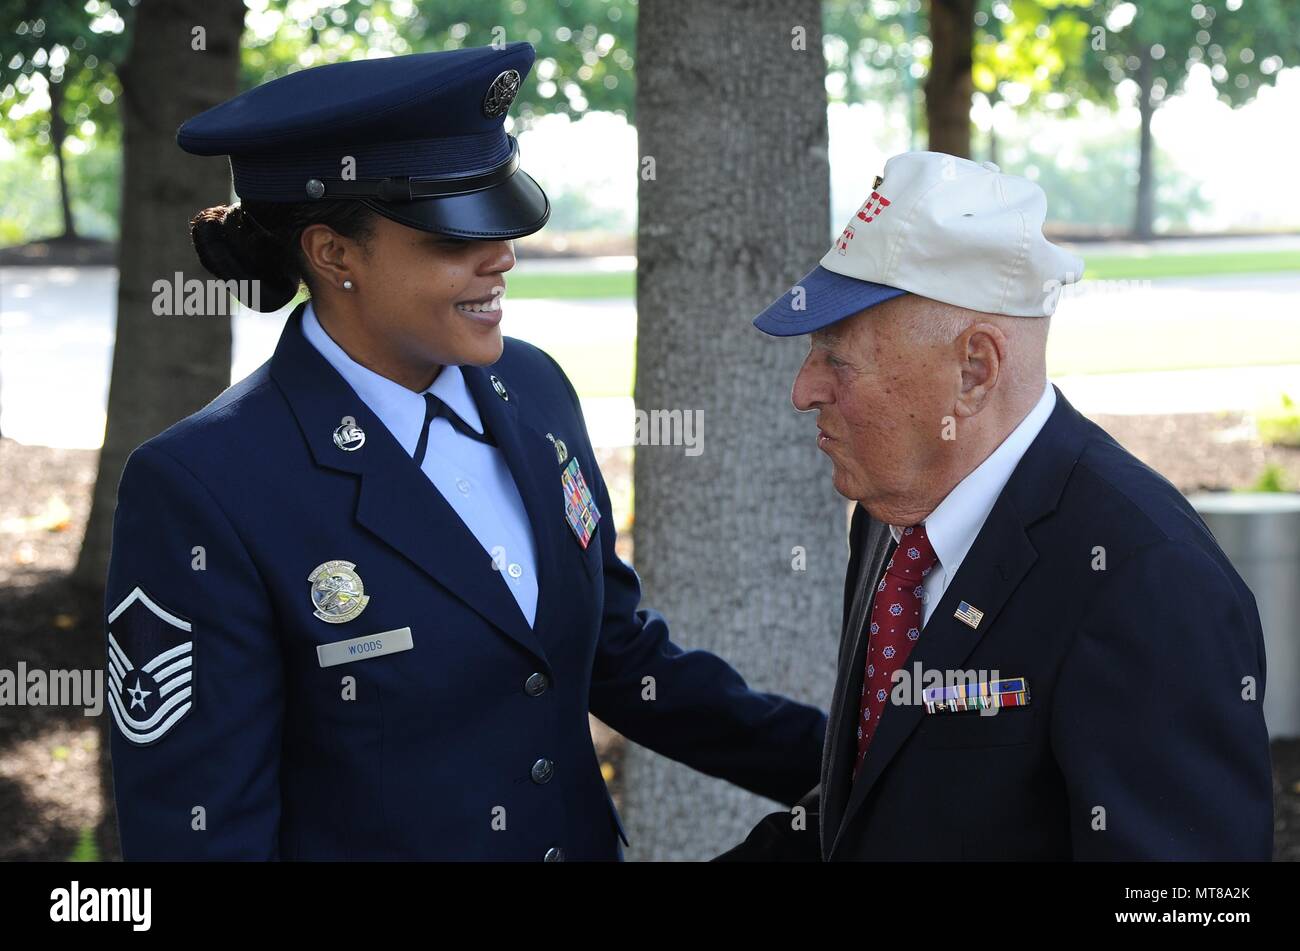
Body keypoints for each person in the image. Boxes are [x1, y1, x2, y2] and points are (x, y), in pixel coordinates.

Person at [105, 42, 826, 861]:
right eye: (453, 234)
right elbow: (200, 835)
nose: (502, 256)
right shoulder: (207, 487)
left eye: (501, 219)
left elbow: (617, 654)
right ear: (332, 252)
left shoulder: (535, 389)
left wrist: (860, 762)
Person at [719, 151, 1272, 861]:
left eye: (838, 357)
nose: (804, 389)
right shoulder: (893, 521)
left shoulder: (1146, 580)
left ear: (974, 369)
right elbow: (878, 794)